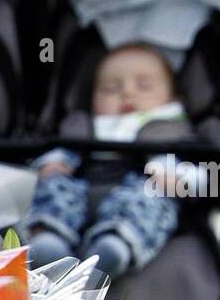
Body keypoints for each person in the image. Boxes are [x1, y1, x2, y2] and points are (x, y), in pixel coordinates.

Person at [21, 43, 203, 277]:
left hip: (137, 195)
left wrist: (181, 181)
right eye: (110, 88)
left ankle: (117, 245)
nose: (127, 93)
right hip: (79, 191)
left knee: (151, 197)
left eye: (144, 86)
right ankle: (49, 236)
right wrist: (50, 166)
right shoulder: (83, 128)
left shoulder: (171, 132)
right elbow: (54, 153)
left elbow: (200, 175)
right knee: (54, 184)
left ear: (172, 97)